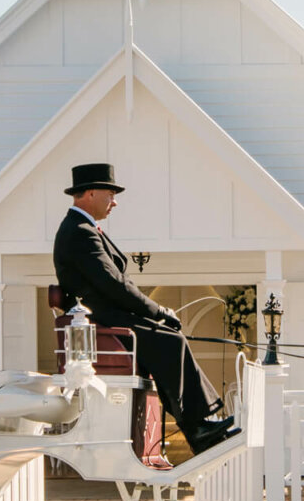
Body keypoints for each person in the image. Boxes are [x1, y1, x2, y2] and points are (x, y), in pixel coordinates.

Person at [52, 162, 239, 454]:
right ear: (88, 193)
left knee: (166, 339)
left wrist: (156, 315)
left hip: (110, 316)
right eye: (110, 193)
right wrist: (159, 311)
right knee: (170, 340)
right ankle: (198, 427)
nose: (114, 201)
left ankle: (199, 425)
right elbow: (114, 285)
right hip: (104, 320)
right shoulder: (79, 231)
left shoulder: (84, 229)